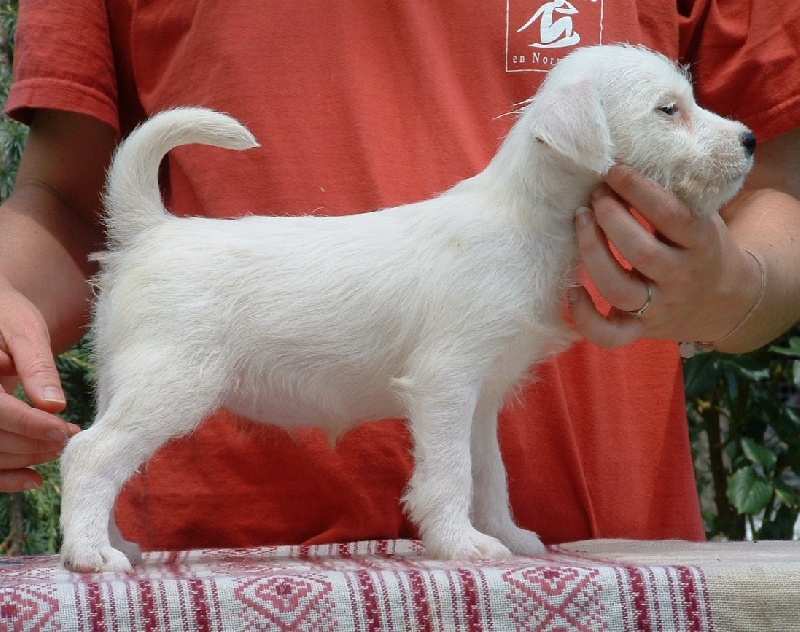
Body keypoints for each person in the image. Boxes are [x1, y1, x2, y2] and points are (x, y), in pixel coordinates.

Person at [1, 1, 799, 550]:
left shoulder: (502, 241)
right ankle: (90, 509)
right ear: (578, 133)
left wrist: (739, 286)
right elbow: (68, 199)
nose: (716, 132)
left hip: (606, 535)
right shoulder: (493, 238)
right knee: (165, 400)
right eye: (671, 113)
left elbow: (781, 195)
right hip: (218, 531)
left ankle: (488, 515)